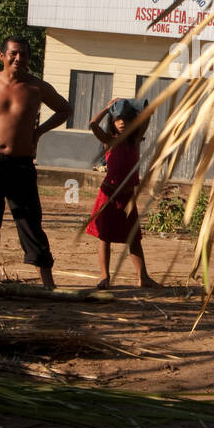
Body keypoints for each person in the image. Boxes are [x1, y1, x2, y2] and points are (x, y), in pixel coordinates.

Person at [0, 37, 70, 288]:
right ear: (2, 56)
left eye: (24, 55)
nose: (19, 59)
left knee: (30, 219)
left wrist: (39, 131)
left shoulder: (36, 87)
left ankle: (47, 281)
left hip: (21, 163)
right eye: (14, 54)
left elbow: (65, 109)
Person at [86, 98, 160, 289]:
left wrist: (140, 106)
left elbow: (148, 115)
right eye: (117, 119)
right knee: (105, 237)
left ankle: (143, 277)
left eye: (125, 119)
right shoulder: (109, 141)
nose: (121, 122)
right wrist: (106, 107)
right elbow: (93, 124)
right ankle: (105, 277)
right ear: (112, 121)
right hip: (108, 197)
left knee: (133, 238)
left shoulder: (134, 141)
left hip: (127, 198)